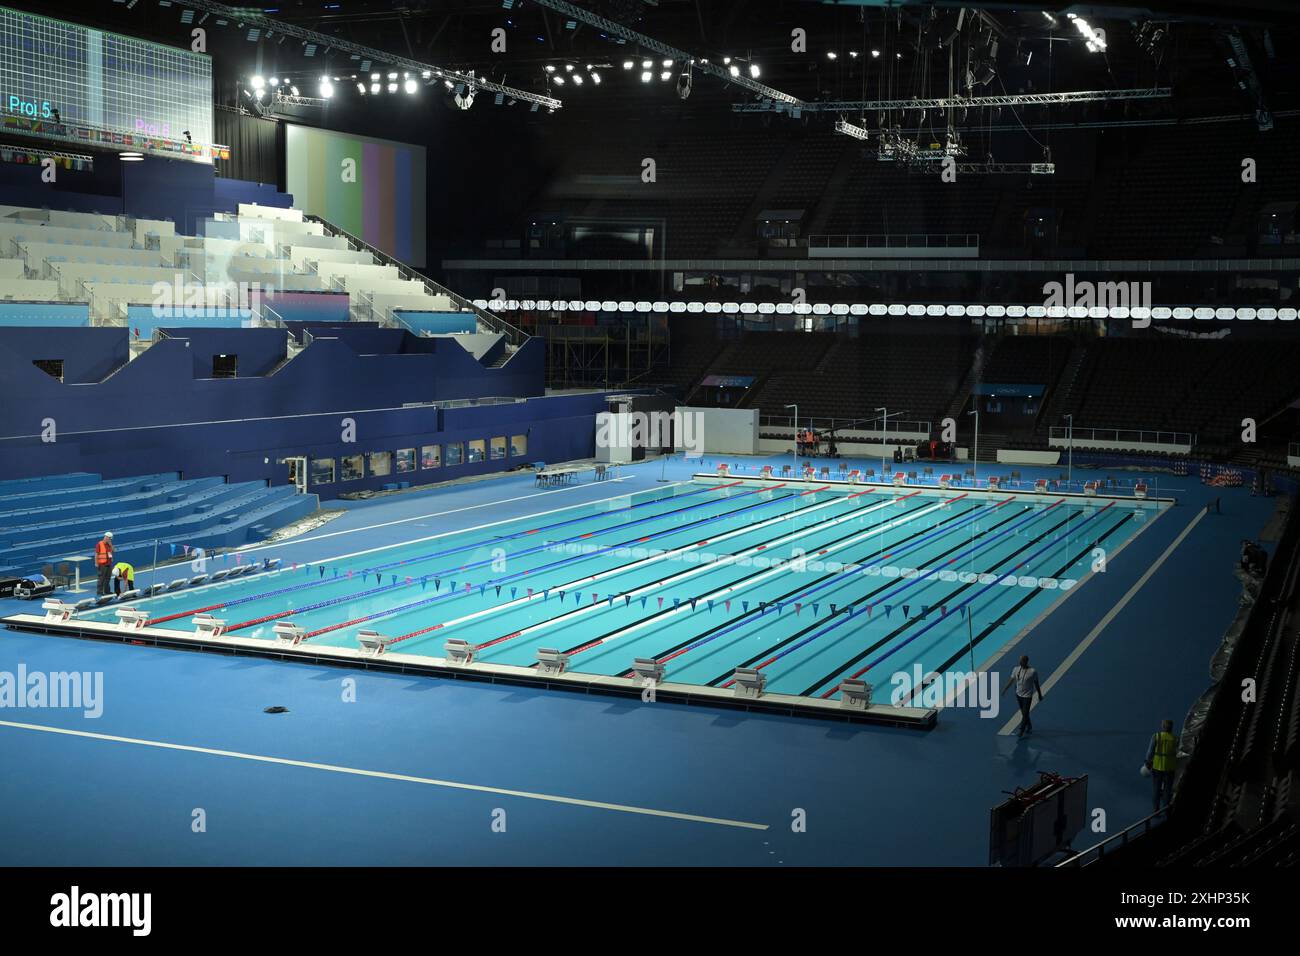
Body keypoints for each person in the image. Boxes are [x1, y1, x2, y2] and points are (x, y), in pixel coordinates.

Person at [1002, 654, 1044, 737]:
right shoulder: (1016, 669)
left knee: (1025, 713)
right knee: (1024, 712)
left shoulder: (1032, 671)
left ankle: (1021, 730)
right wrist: (1005, 689)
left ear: (1026, 661)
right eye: (1020, 660)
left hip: (1027, 696)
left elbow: (1036, 684)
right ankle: (1029, 725)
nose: (1020, 662)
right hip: (1018, 695)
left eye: (1022, 660)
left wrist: (1039, 694)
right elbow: (1011, 680)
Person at [1145, 719, 1178, 811]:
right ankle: (1166, 810)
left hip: (1157, 767)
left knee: (1156, 789)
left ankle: (1156, 810)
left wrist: (1147, 761)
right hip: (1170, 768)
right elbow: (1178, 753)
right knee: (1167, 790)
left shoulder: (1156, 736)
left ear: (1163, 727)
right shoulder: (1175, 739)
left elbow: (1150, 752)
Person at [94, 531, 114, 596]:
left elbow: (113, 551)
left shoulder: (109, 544)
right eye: (110, 538)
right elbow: (96, 554)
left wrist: (111, 545)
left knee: (108, 579)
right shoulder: (99, 544)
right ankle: (99, 592)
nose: (110, 540)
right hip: (102, 565)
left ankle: (107, 591)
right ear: (106, 537)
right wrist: (96, 563)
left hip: (109, 564)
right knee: (101, 579)